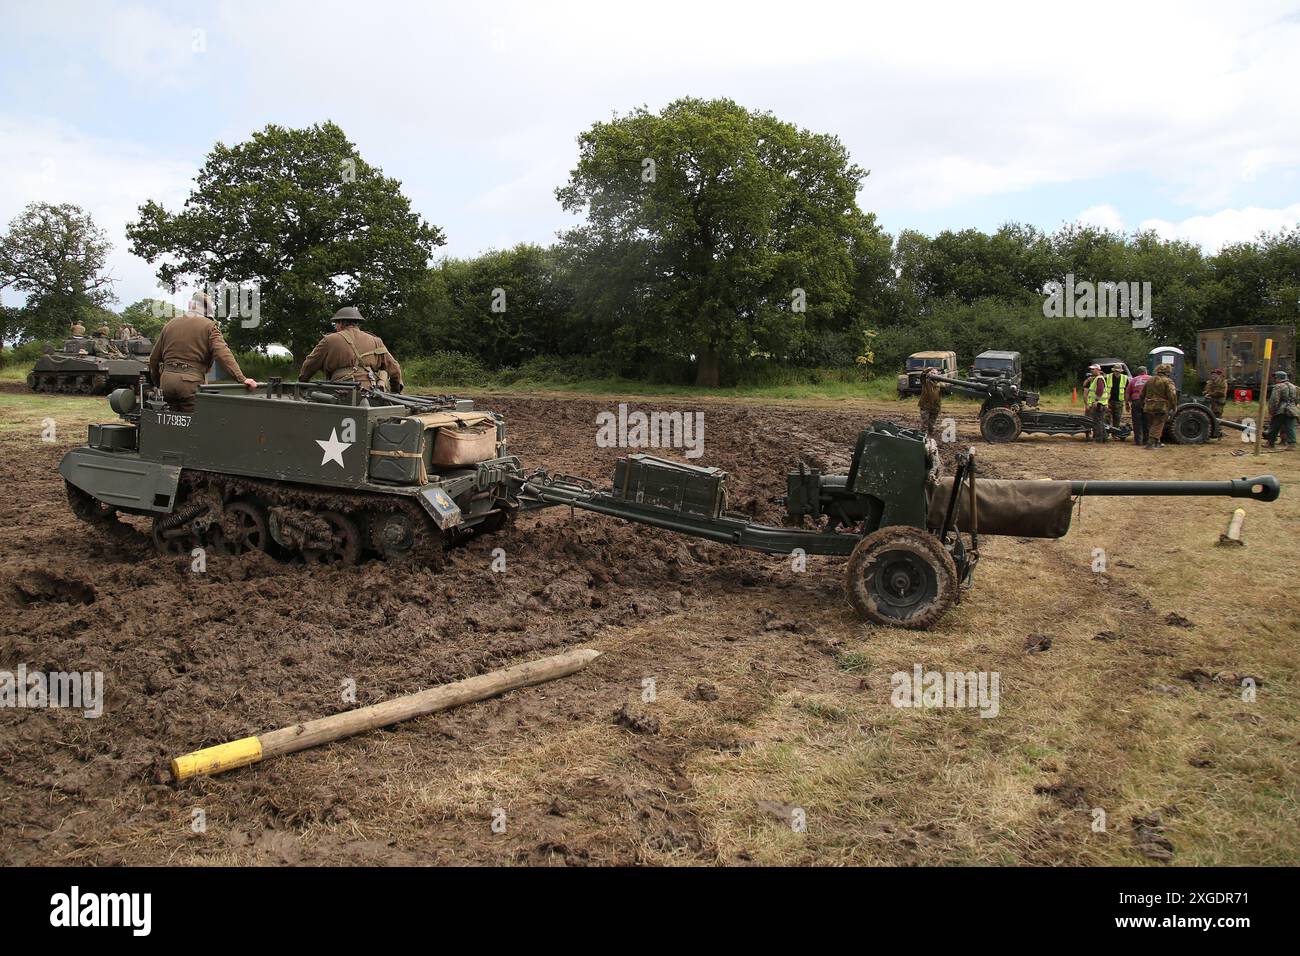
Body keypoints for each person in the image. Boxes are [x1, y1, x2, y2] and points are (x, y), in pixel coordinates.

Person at [148, 295, 256, 412]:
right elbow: (222, 354)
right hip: (190, 384)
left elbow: (153, 359)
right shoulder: (209, 326)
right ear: (206, 310)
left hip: (167, 382)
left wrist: (159, 382)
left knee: (170, 422)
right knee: (194, 424)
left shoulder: (170, 324)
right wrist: (242, 378)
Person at [299, 306, 403, 391]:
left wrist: (302, 384)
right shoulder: (376, 341)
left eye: (336, 323)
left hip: (340, 391)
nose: (336, 327)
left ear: (340, 323)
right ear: (357, 323)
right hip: (370, 390)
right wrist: (395, 390)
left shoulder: (330, 340)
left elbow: (310, 364)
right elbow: (394, 367)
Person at [1141, 364, 1179, 449]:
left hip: (1148, 406)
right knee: (1158, 424)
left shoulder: (1150, 380)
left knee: (1152, 424)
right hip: (1161, 406)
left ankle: (1157, 442)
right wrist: (1174, 406)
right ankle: (1150, 443)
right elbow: (1172, 395)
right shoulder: (1168, 381)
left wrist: (1142, 404)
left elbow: (1142, 394)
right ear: (1167, 372)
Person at [1264, 370, 1297, 449]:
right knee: (1290, 427)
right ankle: (1292, 444)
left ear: (1278, 378)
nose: (1274, 380)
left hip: (1281, 410)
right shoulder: (1294, 387)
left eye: (1275, 378)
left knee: (1274, 426)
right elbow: (1296, 399)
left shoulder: (1278, 386)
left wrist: (1272, 411)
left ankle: (1270, 443)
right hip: (1292, 409)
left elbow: (1274, 400)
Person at [917, 366, 946, 439]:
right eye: (932, 373)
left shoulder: (940, 383)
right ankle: (922, 436)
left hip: (935, 405)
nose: (934, 374)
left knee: (932, 422)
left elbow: (945, 389)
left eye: (935, 373)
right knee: (925, 421)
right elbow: (922, 375)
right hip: (925, 404)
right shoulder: (925, 381)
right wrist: (927, 370)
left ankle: (930, 435)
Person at [1128, 365, 1151, 447]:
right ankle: (1146, 440)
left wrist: (1127, 403)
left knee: (1137, 421)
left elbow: (1128, 393)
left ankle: (1138, 441)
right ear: (1146, 371)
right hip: (1147, 401)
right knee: (1147, 421)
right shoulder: (1151, 378)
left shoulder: (1133, 380)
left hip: (1136, 401)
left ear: (1138, 372)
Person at [1103, 363, 1130, 431]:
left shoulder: (1125, 378)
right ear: (1113, 371)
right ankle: (1106, 432)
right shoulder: (1107, 377)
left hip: (1119, 401)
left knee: (1117, 418)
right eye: (1116, 371)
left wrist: (1127, 402)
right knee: (1107, 417)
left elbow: (1127, 390)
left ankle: (1115, 432)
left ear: (1121, 371)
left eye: (1118, 371)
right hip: (1108, 400)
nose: (1117, 372)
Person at [1084, 364, 1107, 442]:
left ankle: (1098, 439)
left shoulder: (1099, 378)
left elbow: (1100, 390)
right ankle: (1104, 438)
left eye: (1093, 369)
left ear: (1098, 370)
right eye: (1091, 369)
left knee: (1098, 422)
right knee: (1099, 422)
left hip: (1099, 404)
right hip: (1099, 404)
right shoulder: (1095, 379)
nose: (1091, 370)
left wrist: (1096, 401)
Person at [1203, 367, 1228, 438]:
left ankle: (1218, 432)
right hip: (1211, 402)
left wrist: (1210, 394)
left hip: (1218, 402)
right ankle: (1211, 432)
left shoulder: (1223, 382)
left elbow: (1221, 393)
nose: (1213, 376)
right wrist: (1206, 393)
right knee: (1210, 416)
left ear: (1219, 375)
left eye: (1215, 374)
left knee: (1217, 417)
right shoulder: (1210, 382)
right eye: (1213, 375)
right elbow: (1206, 389)